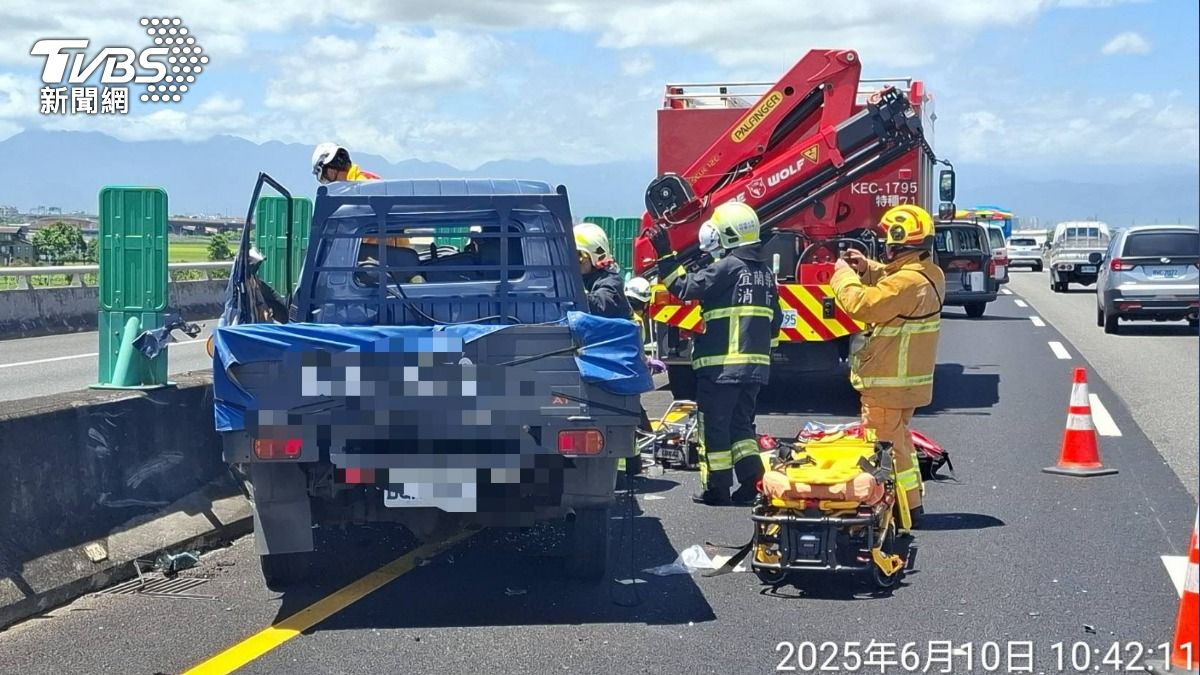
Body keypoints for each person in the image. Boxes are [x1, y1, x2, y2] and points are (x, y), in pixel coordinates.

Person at [647, 201, 782, 506]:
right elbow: (775, 322)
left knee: (715, 429)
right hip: (755, 370)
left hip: (721, 369)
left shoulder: (727, 267)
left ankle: (717, 490)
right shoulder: (764, 275)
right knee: (742, 427)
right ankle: (751, 482)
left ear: (730, 235)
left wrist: (665, 254)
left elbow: (683, 286)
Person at [831, 204, 945, 530]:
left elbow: (862, 304)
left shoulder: (906, 283)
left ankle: (895, 513)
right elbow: (896, 279)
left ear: (897, 242)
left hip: (887, 383)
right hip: (906, 383)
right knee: (900, 445)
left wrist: (842, 274)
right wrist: (867, 268)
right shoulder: (929, 273)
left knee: (884, 449)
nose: (885, 246)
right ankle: (912, 504)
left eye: (888, 241)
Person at [575, 222, 632, 319]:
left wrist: (572, 295)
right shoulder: (582, 280)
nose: (574, 262)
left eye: (578, 257)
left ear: (594, 258)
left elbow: (603, 305)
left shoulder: (611, 282)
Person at [311, 142, 381, 184]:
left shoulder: (363, 185)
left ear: (332, 171)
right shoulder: (353, 186)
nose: (328, 182)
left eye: (326, 176)